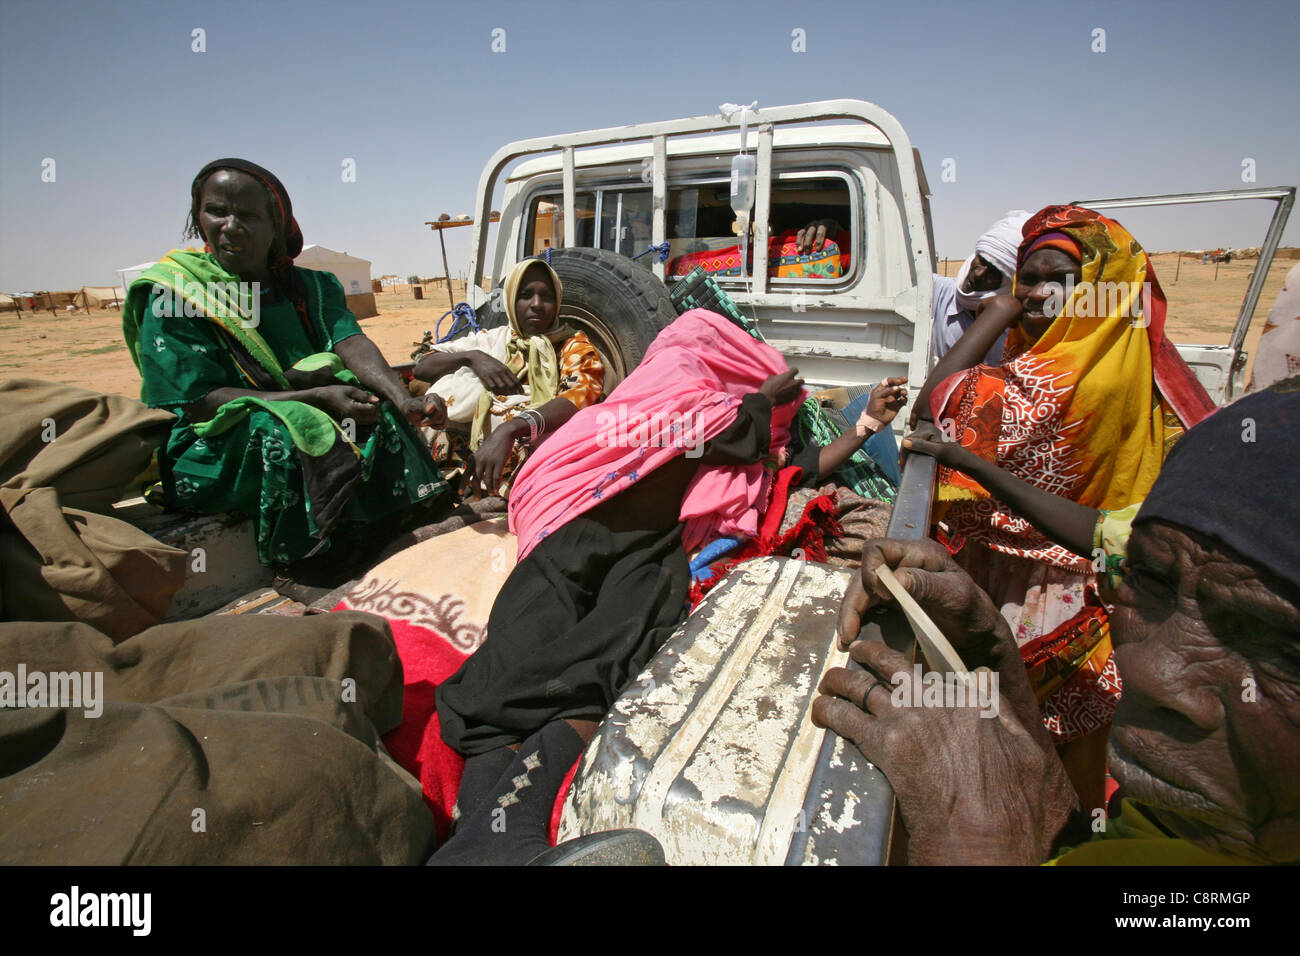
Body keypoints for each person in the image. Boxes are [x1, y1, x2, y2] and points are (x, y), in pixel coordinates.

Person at [815, 376, 1300, 864]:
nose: (1152, 674)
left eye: (1276, 644)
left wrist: (976, 853)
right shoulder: (1200, 823)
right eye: (1152, 584)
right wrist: (990, 651)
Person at [429, 308, 806, 865]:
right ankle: (495, 837)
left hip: (629, 553)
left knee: (593, 670)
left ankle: (485, 839)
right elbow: (716, 436)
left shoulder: (691, 391)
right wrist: (763, 400)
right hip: (585, 540)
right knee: (512, 673)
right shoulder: (681, 382)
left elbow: (753, 449)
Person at [901, 204, 1216, 812]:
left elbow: (932, 409)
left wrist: (993, 315)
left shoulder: (1057, 380)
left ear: (1100, 289)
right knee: (1071, 750)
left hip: (1041, 593)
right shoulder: (1134, 355)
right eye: (1029, 277)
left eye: (1059, 280)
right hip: (1100, 590)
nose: (1039, 293)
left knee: (1020, 744)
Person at [122, 158, 449, 568]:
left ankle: (395, 528)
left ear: (277, 224)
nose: (231, 226)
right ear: (197, 217)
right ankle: (308, 560)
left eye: (248, 215)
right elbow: (197, 400)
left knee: (375, 405)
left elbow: (350, 342)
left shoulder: (311, 286)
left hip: (311, 404)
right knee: (292, 427)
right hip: (219, 439)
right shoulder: (176, 295)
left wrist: (401, 398)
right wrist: (315, 397)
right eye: (216, 211)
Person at [413, 257, 604, 498]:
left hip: (528, 453)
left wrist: (511, 429)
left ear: (557, 303)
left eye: (547, 296)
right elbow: (422, 366)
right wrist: (473, 358)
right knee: (431, 411)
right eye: (526, 295)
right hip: (467, 459)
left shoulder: (573, 346)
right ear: (511, 299)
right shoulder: (493, 339)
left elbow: (577, 398)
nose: (536, 304)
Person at [928, 210, 1031, 367]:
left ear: (1010, 282)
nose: (979, 273)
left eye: (994, 271)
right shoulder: (936, 292)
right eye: (981, 260)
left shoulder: (1016, 333)